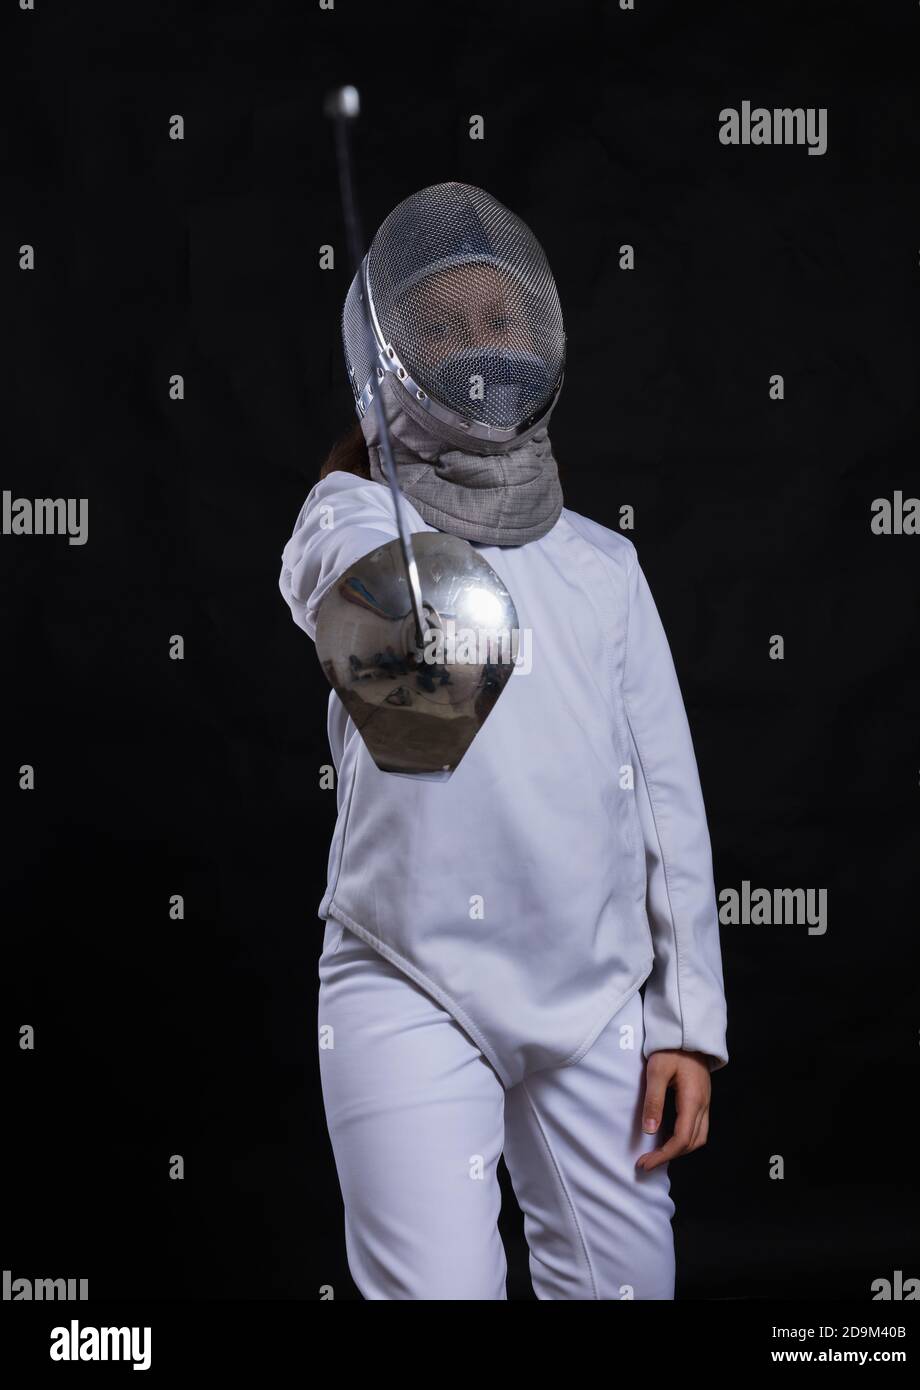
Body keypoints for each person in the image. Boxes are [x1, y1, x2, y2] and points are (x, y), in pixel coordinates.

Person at [278, 182, 729, 1300]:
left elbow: (665, 807)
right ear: (390, 359)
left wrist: (684, 1025)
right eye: (441, 327)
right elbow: (425, 682)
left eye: (497, 322)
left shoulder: (603, 566)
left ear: (538, 334)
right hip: (408, 979)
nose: (479, 347)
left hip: (590, 999)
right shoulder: (347, 515)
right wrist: (400, 505)